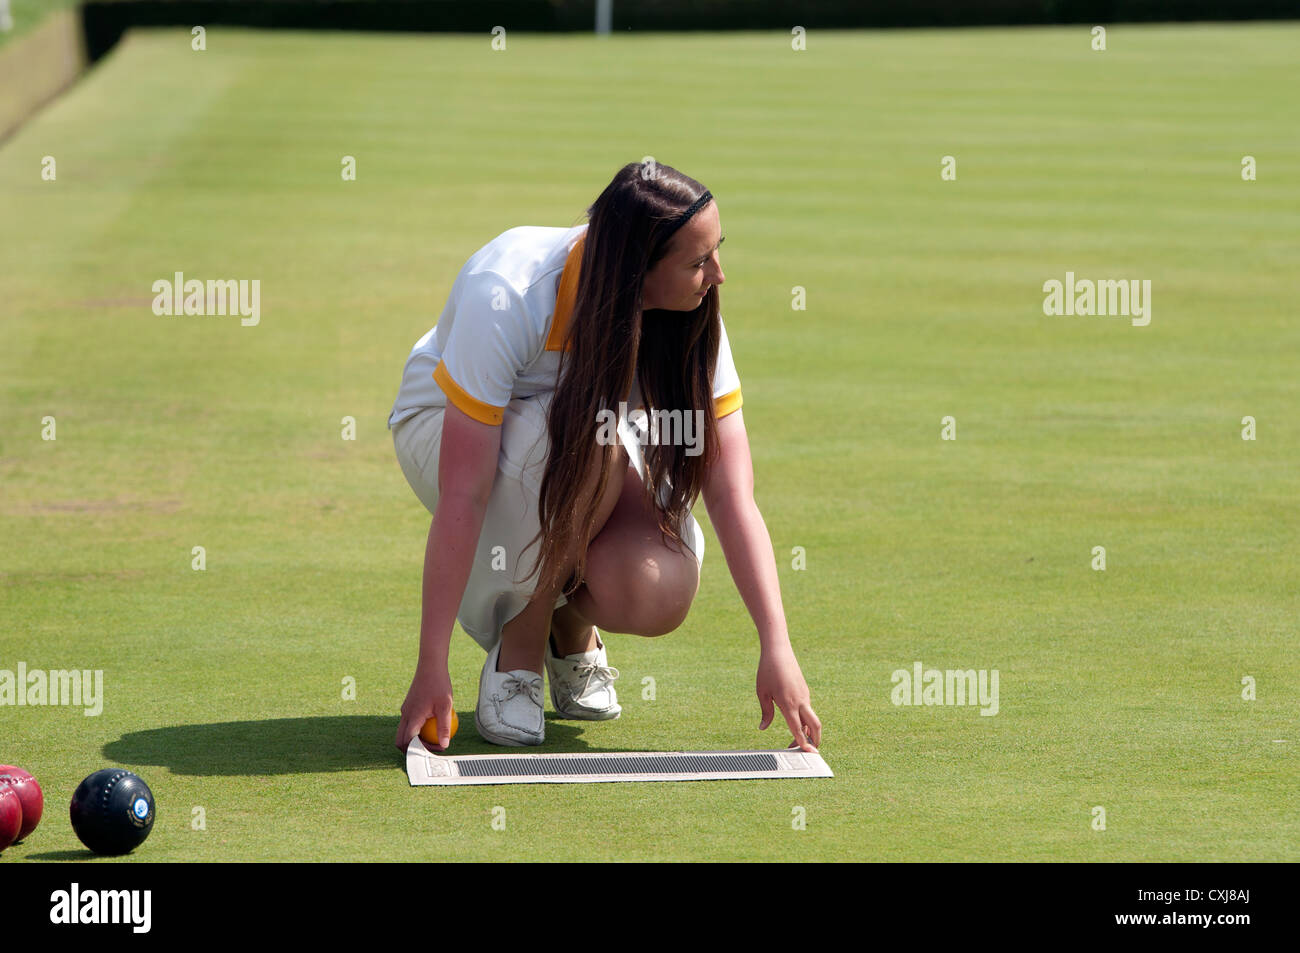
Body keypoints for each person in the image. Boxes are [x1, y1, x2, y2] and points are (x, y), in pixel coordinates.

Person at [389, 160, 821, 753]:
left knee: (657, 588)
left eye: (717, 251)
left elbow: (730, 492)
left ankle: (570, 630)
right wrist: (429, 665)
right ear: (636, 271)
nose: (718, 274)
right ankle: (520, 646)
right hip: (440, 431)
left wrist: (777, 646)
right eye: (698, 262)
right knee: (576, 432)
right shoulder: (507, 290)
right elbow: (464, 492)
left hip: (579, 454)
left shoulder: (694, 322)